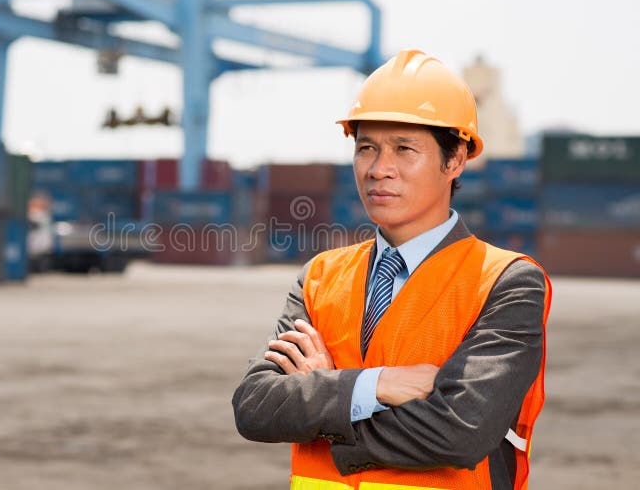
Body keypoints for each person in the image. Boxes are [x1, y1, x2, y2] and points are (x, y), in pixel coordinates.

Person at [232, 49, 551, 490]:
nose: (380, 170)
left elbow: (458, 432)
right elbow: (256, 406)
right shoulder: (321, 276)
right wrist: (376, 385)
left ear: (455, 159)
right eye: (367, 148)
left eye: (404, 149)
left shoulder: (505, 281)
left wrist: (324, 397)